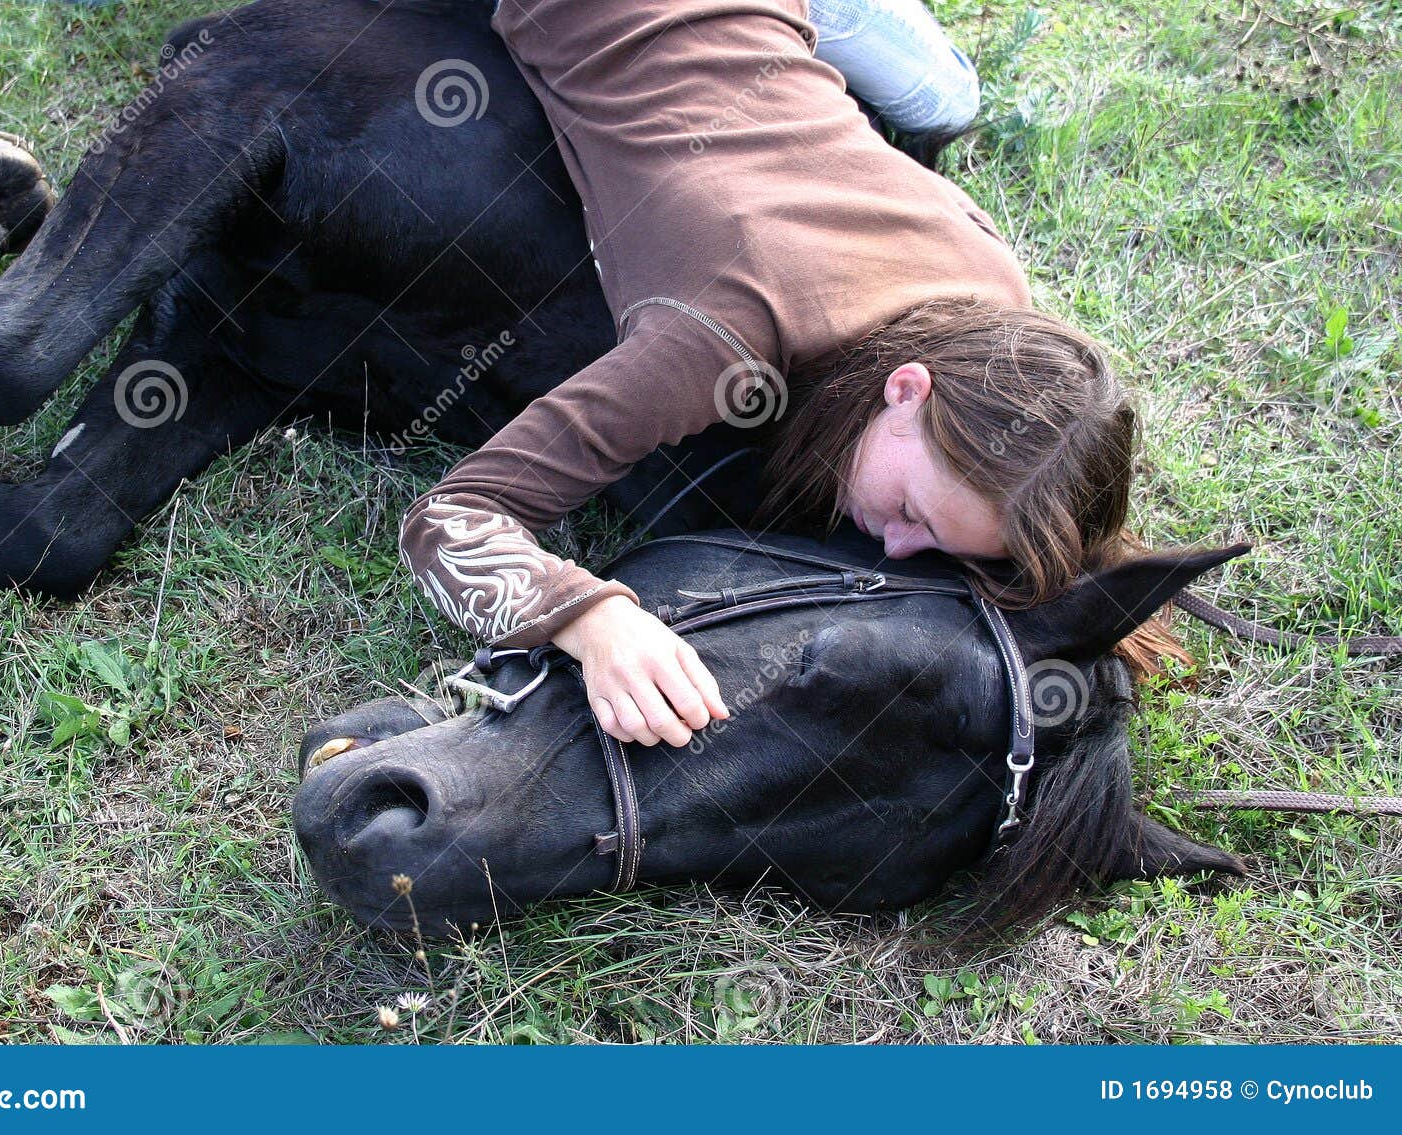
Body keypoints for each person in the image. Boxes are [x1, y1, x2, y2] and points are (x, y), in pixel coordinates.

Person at [400, 0, 1163, 749]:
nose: (896, 548)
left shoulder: (994, 291)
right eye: (910, 510)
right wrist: (587, 618)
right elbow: (451, 517)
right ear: (907, 387)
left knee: (948, 97)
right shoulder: (724, 336)